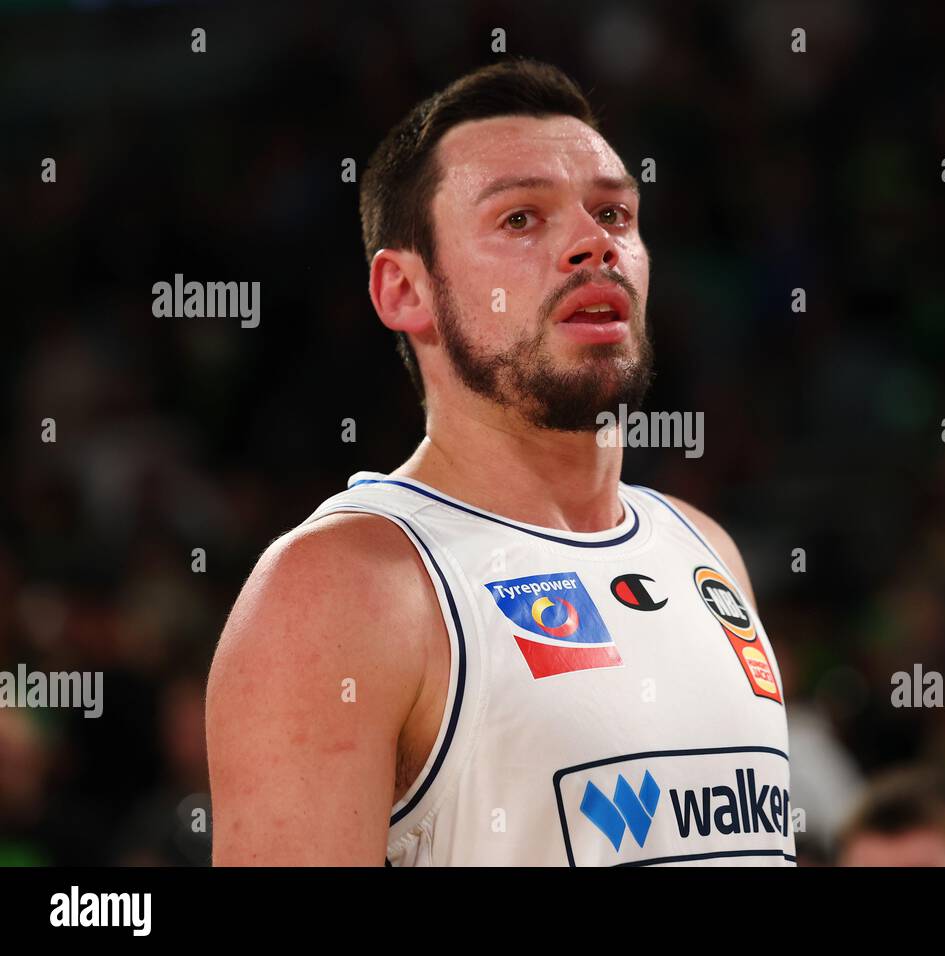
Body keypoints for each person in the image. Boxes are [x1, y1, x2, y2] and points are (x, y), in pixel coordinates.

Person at [205, 59, 795, 866]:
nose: (594, 244)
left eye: (615, 213)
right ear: (405, 291)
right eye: (522, 219)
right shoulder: (342, 589)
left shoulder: (705, 551)